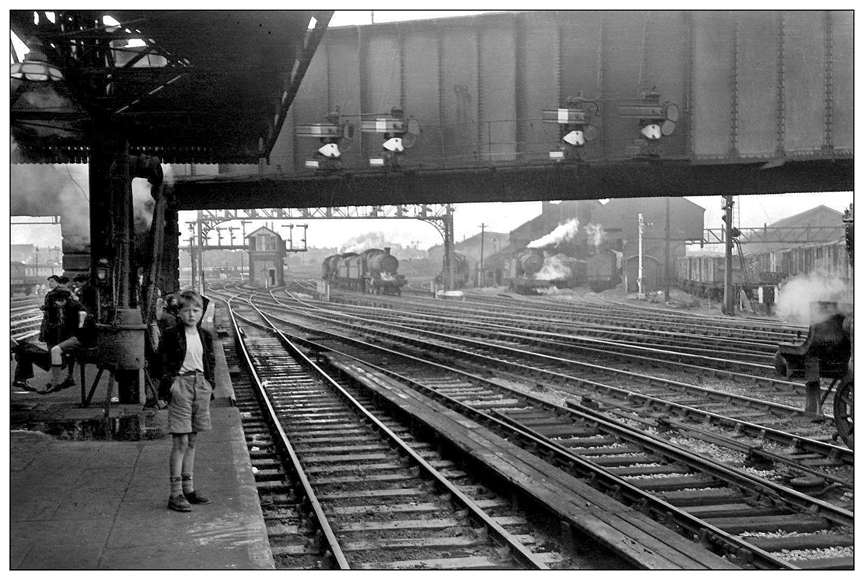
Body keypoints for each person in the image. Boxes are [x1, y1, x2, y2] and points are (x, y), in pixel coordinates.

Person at [159, 290, 215, 512]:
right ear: (179, 312)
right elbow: (160, 364)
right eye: (186, 310)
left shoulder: (205, 336)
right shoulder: (171, 334)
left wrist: (210, 385)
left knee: (192, 440)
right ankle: (175, 494)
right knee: (180, 441)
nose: (191, 315)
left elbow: (210, 362)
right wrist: (169, 387)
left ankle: (188, 489)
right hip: (181, 385)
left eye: (196, 310)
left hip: (200, 386)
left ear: (201, 312)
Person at [13, 289, 91, 392]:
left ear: (62, 300)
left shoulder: (71, 309)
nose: (56, 304)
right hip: (60, 346)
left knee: (24, 350)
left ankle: (49, 382)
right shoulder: (67, 307)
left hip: (60, 351)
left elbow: (71, 330)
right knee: (23, 348)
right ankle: (22, 379)